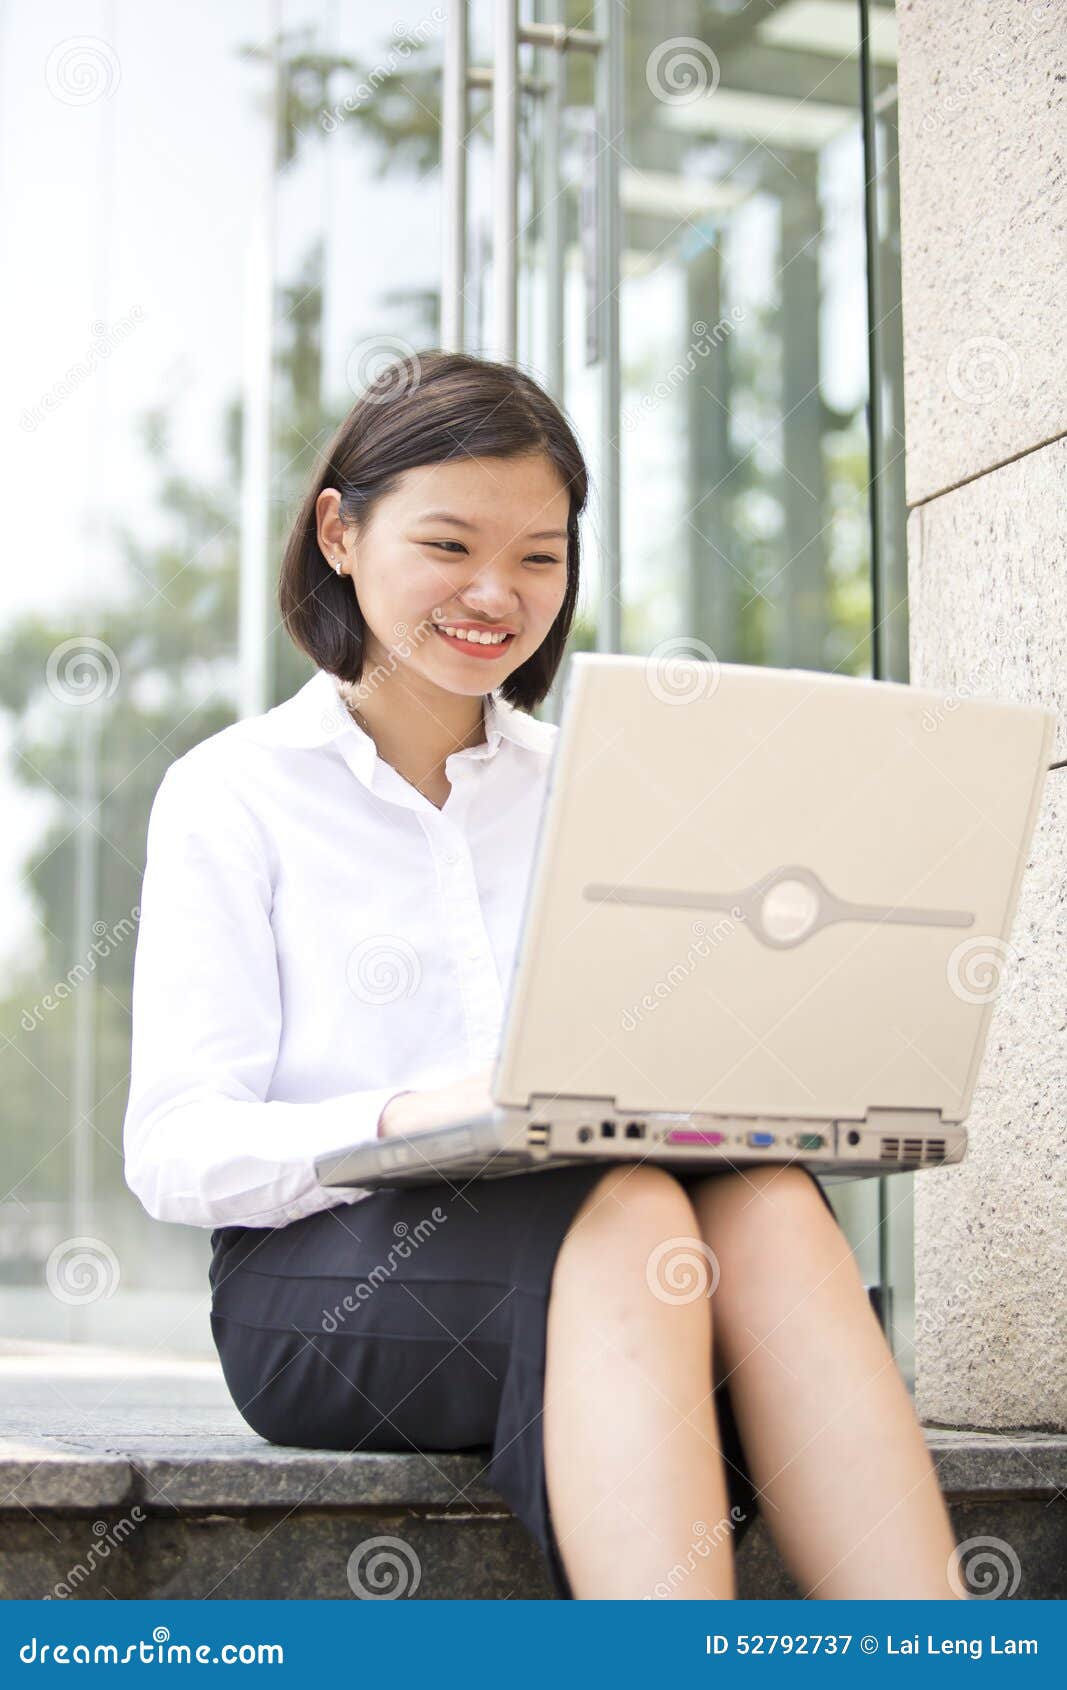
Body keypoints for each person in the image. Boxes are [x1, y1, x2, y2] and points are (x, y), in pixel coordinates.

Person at [123, 350, 964, 1601]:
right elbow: (175, 1149)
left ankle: (925, 1652)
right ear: (340, 533)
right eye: (450, 545)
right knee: (627, 1214)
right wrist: (404, 1118)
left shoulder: (599, 778)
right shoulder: (232, 793)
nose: (495, 594)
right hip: (328, 1284)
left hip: (607, 1222)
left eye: (538, 556)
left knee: (771, 1202)